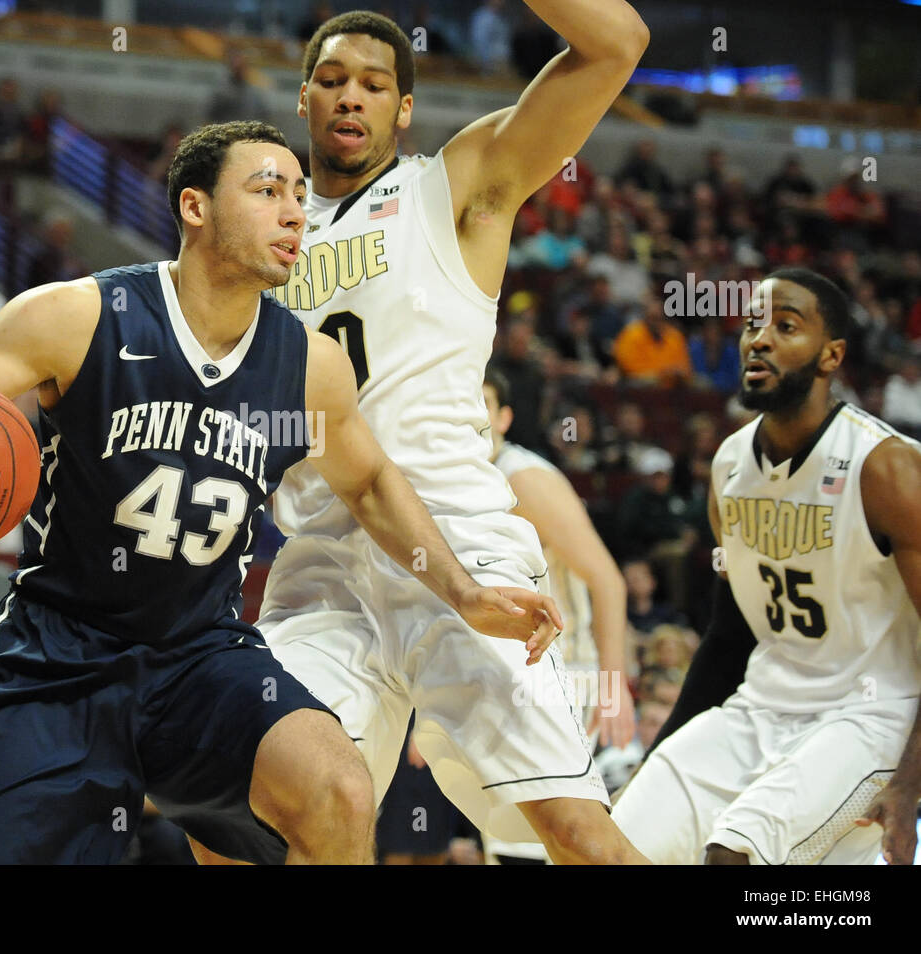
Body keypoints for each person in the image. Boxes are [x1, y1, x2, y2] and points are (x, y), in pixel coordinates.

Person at [0, 120, 563, 865]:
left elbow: (374, 483)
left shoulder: (307, 366)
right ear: (195, 207)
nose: (295, 212)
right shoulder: (76, 316)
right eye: (266, 191)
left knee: (339, 789)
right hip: (60, 662)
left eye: (299, 194)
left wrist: (465, 589)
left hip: (200, 658)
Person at [253, 8, 650, 863]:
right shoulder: (260, 239)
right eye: (331, 80)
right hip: (322, 563)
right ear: (302, 98)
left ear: (403, 110)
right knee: (277, 820)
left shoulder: (458, 184)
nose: (350, 98)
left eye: (374, 84)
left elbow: (616, 44)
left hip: (458, 542)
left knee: (577, 837)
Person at [613, 268, 921, 865]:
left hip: (869, 715)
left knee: (734, 856)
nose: (759, 339)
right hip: (761, 708)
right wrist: (660, 763)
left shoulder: (886, 470)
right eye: (753, 324)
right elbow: (728, 637)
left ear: (831, 356)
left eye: (786, 326)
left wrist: (910, 783)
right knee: (608, 846)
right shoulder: (729, 465)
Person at [483, 369, 634, 747]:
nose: (470, 415)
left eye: (482, 404)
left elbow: (607, 580)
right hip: (508, 672)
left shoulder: (525, 479)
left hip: (563, 672)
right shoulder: (468, 478)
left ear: (504, 417)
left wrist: (614, 686)